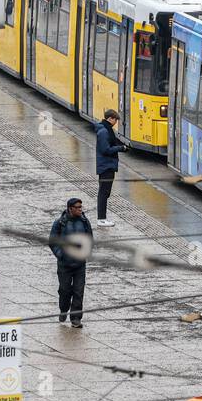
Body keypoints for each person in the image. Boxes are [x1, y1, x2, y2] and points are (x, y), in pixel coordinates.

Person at [50, 197, 92, 328]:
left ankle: (76, 318)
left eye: (81, 207)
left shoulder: (85, 222)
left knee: (79, 292)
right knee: (65, 291)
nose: (80, 209)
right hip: (64, 265)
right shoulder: (60, 223)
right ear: (70, 209)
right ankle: (63, 309)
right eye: (77, 207)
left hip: (80, 265)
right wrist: (60, 255)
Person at [95, 109, 127, 226]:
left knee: (105, 192)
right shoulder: (104, 131)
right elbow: (105, 150)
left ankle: (102, 218)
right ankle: (101, 219)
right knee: (104, 192)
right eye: (115, 120)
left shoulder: (105, 129)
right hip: (106, 166)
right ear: (110, 119)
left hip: (107, 165)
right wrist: (120, 148)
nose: (116, 123)